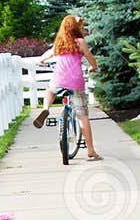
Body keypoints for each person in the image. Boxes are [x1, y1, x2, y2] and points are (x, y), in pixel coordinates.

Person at [32, 14, 101, 159]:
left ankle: (45, 108)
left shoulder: (59, 43)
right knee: (83, 117)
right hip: (75, 82)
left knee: (50, 91)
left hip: (59, 80)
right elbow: (89, 57)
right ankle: (91, 151)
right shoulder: (80, 42)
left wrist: (42, 61)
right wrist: (93, 67)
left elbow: (45, 56)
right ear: (77, 28)